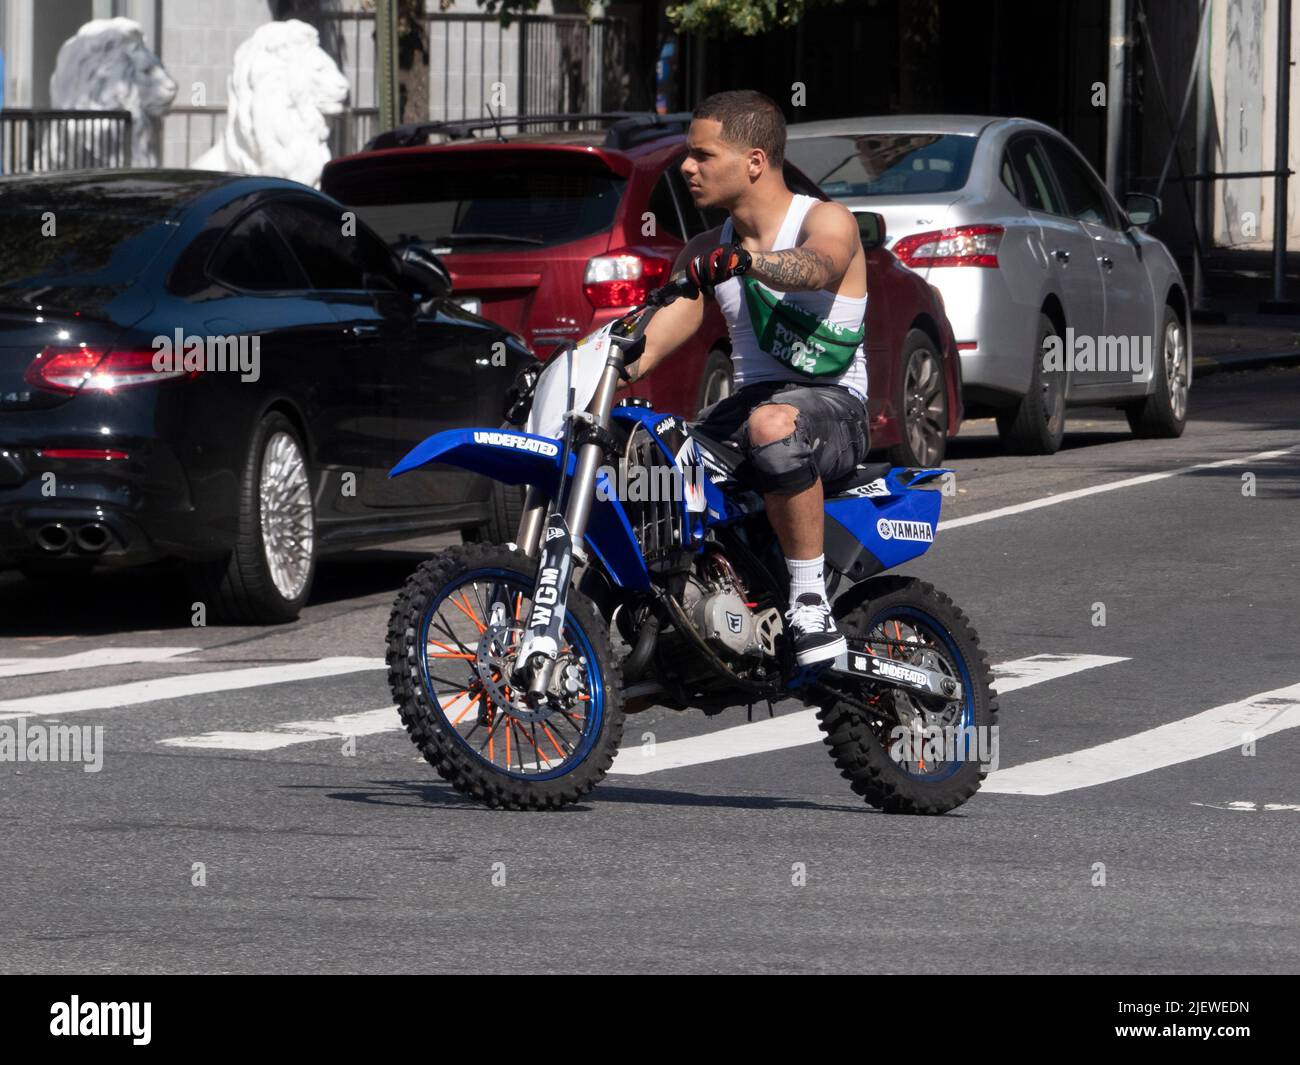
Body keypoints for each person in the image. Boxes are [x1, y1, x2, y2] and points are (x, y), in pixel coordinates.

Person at [628, 89, 870, 666]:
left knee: (771, 424)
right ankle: (674, 615)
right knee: (645, 450)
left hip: (832, 404)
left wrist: (750, 263)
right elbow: (650, 342)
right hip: (750, 407)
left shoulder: (823, 219)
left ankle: (810, 601)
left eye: (703, 155)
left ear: (755, 161)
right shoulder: (705, 250)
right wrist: (578, 373)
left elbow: (818, 265)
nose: (687, 167)